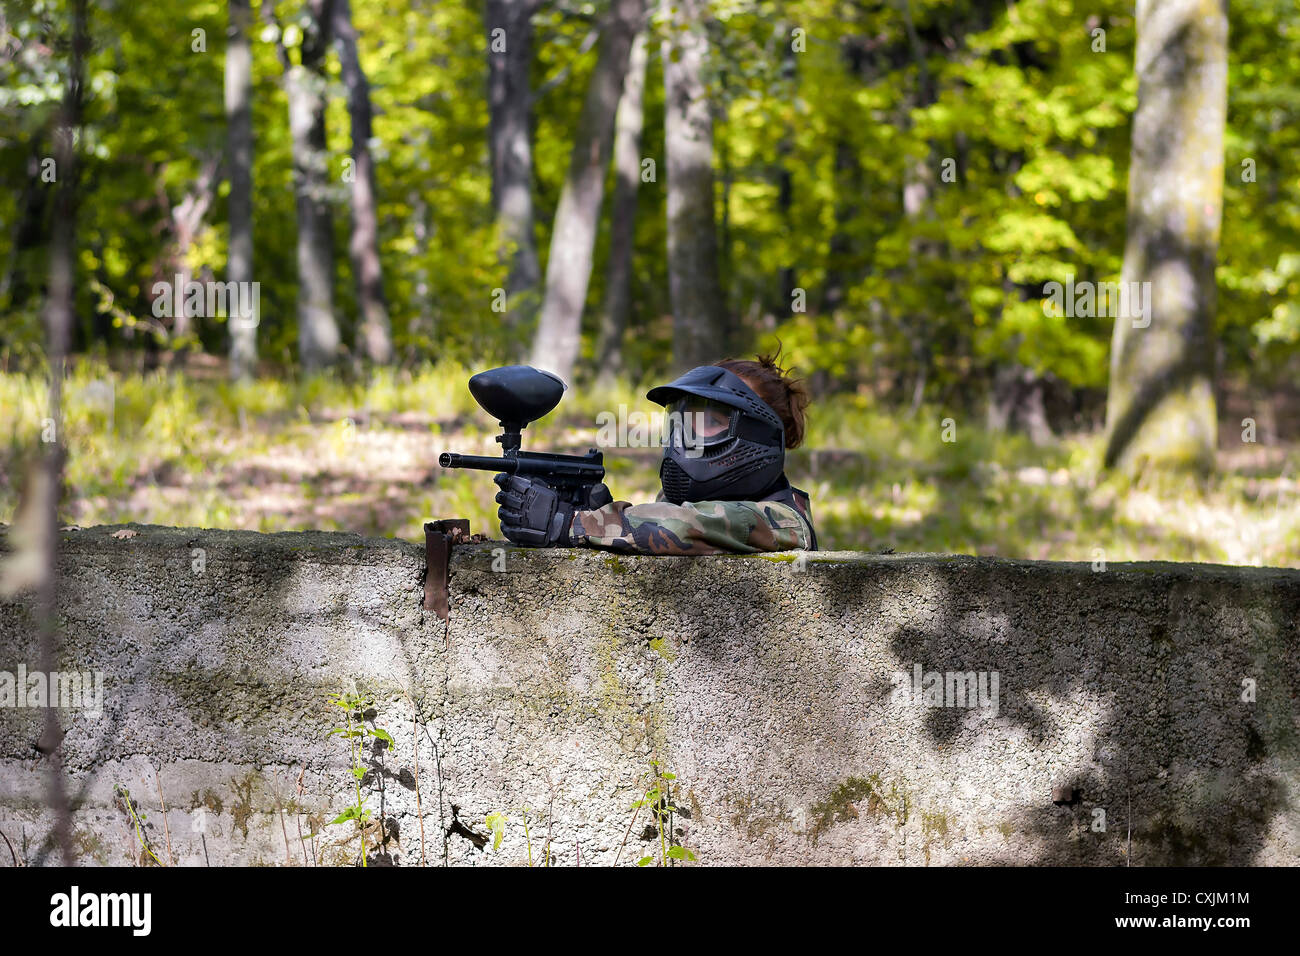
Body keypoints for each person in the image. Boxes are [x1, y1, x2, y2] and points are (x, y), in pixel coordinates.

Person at [493, 352, 818, 554]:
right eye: (679, 420)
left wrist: (574, 524)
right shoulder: (688, 506)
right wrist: (597, 513)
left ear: (757, 435)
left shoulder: (784, 521)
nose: (682, 438)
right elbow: (664, 526)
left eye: (709, 422)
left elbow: (685, 525)